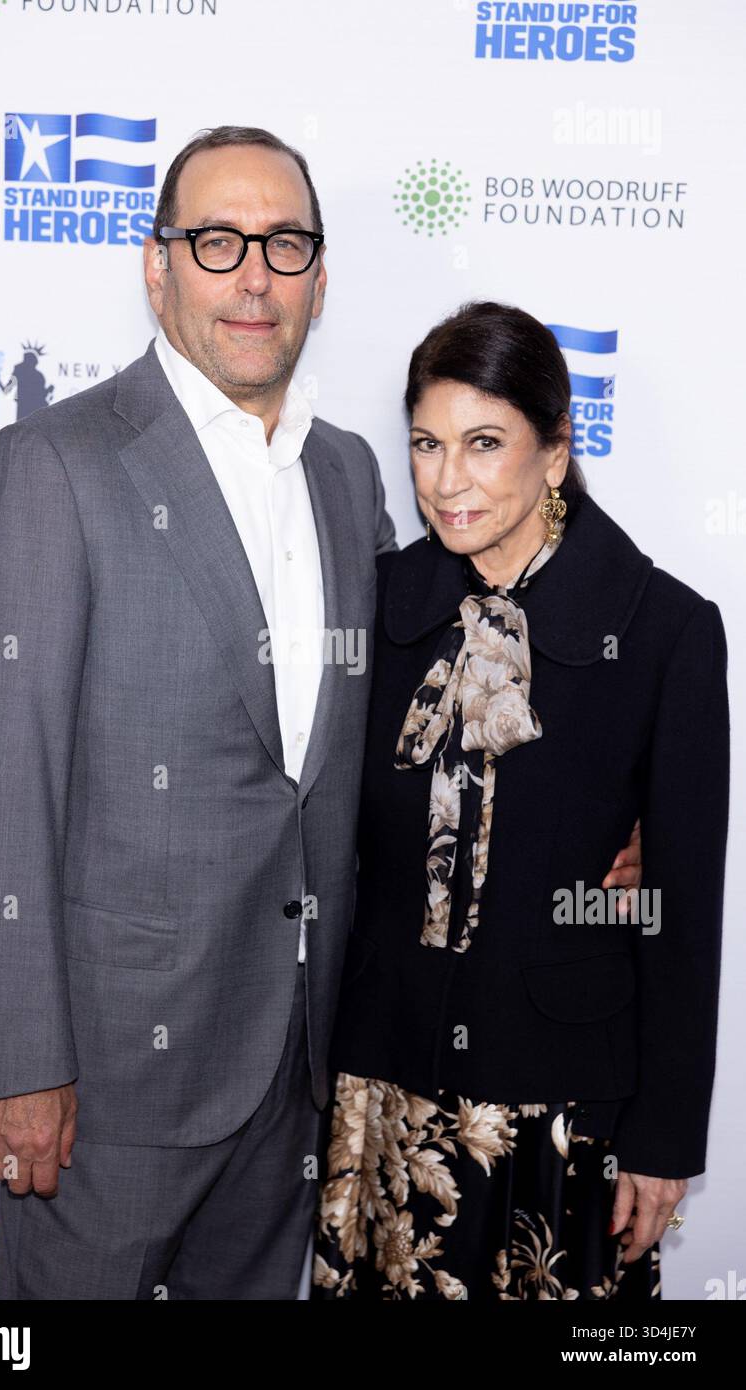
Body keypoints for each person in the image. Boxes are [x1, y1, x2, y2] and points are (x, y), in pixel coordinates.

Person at [0, 128, 641, 1301]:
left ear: (320, 276)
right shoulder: (50, 465)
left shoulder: (347, 472)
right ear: (157, 267)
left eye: (285, 243)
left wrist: (620, 811)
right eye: (218, 241)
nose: (254, 275)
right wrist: (18, 1065)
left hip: (307, 1074)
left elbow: (429, 710)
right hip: (111, 1084)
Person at [313, 301, 729, 1301]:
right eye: (425, 443)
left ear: (554, 451)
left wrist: (663, 1140)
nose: (446, 480)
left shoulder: (667, 632)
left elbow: (679, 918)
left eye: (484, 443)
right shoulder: (369, 609)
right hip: (384, 1093)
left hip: (564, 1112)